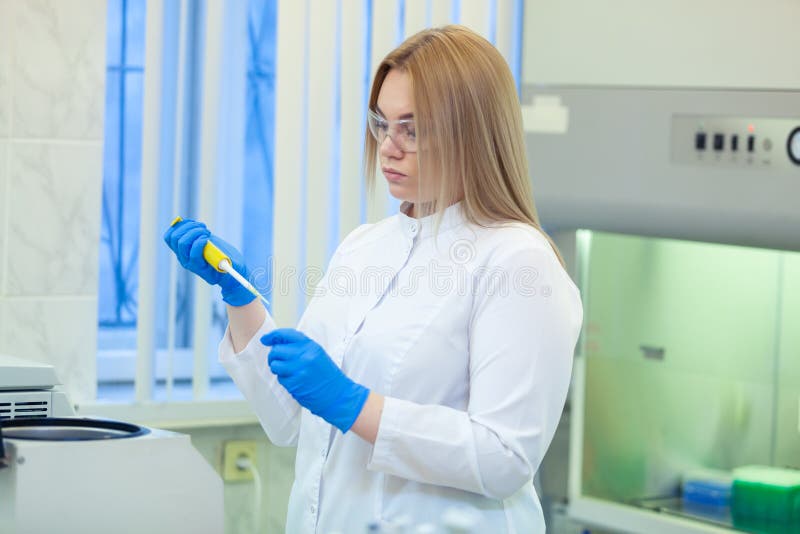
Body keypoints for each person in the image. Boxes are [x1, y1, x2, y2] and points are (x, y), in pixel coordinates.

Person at [165, 25, 582, 533]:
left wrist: (353, 403)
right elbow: (291, 421)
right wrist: (239, 296)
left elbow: (504, 456)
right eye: (382, 124)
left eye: (413, 128)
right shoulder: (365, 245)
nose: (388, 147)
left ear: (472, 132)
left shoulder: (518, 262)